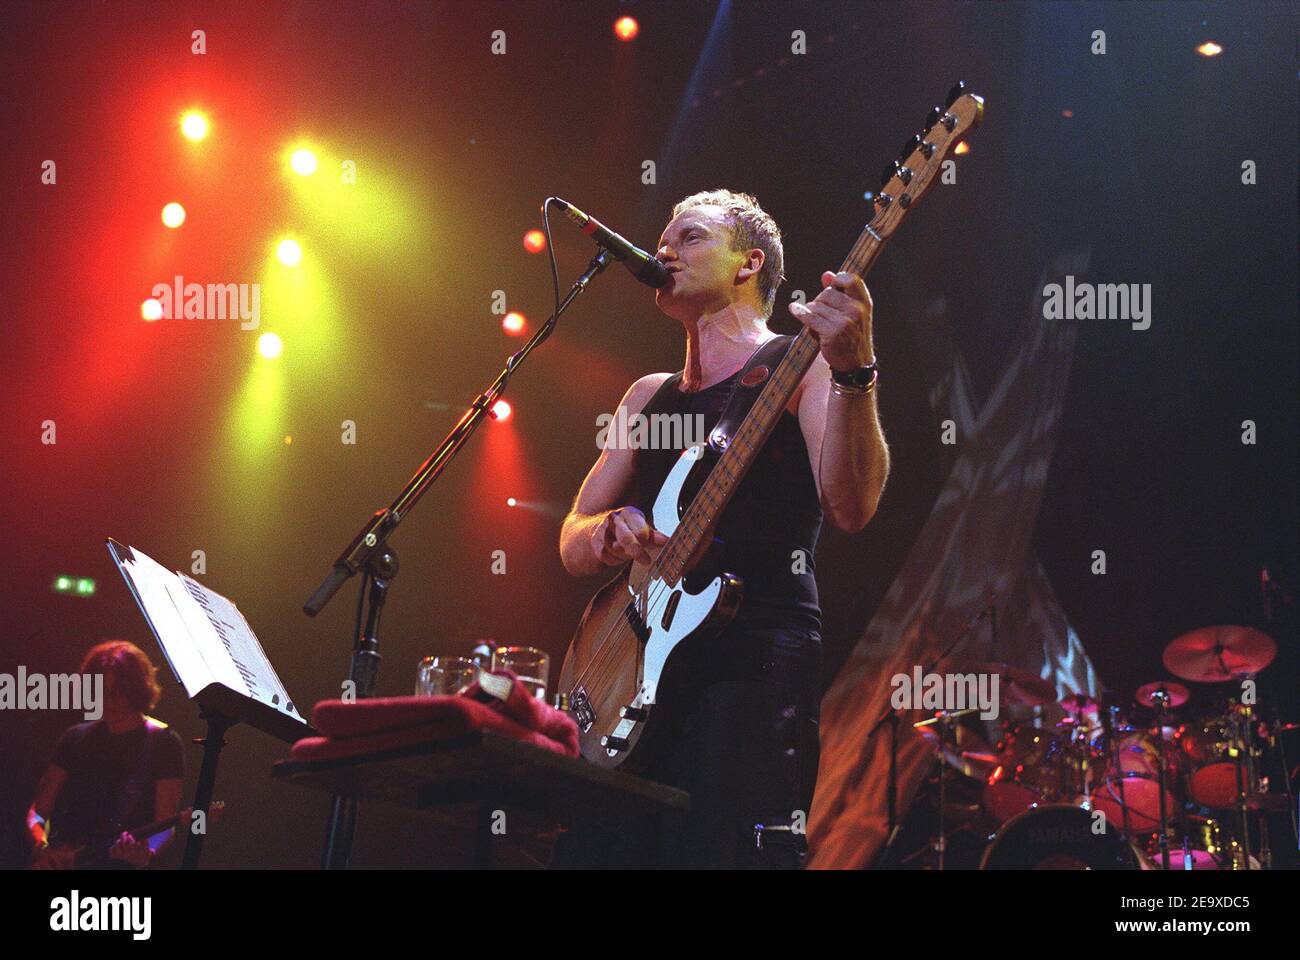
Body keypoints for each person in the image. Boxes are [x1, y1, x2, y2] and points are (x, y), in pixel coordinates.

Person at [554, 189, 889, 866]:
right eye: (665, 237)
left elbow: (853, 507)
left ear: (749, 264)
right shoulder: (647, 396)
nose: (664, 250)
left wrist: (855, 373)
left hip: (751, 663)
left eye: (692, 237)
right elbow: (571, 539)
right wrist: (605, 533)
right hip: (636, 664)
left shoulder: (803, 364)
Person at [27, 640, 184, 868]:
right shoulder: (76, 737)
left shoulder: (164, 743)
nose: (108, 701)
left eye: (117, 692)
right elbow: (39, 810)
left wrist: (147, 852)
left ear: (136, 689)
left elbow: (165, 824)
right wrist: (41, 846)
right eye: (100, 691)